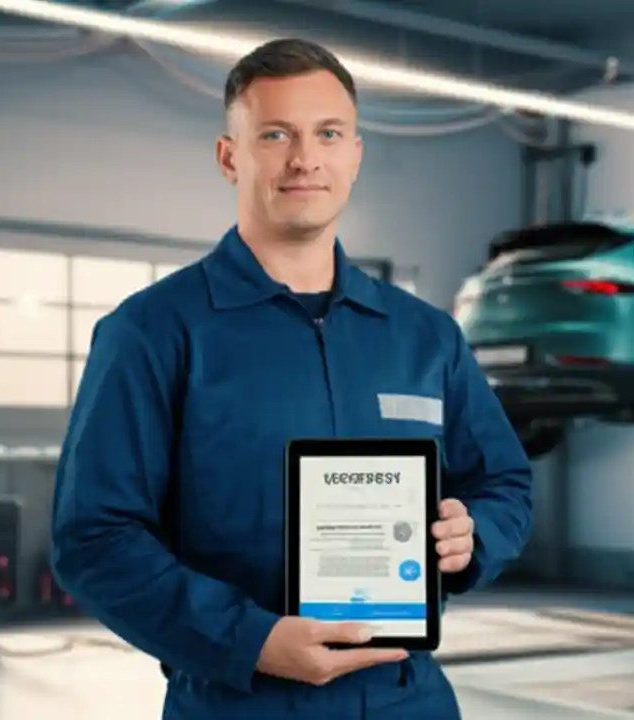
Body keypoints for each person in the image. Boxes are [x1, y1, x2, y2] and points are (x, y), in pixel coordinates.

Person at [49, 37, 533, 719]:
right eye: (275, 134)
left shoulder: (426, 337)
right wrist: (252, 640)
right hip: (238, 700)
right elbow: (94, 538)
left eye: (327, 134)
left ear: (354, 155)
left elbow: (505, 482)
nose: (305, 158)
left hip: (407, 700)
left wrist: (473, 532)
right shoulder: (155, 333)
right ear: (229, 157)